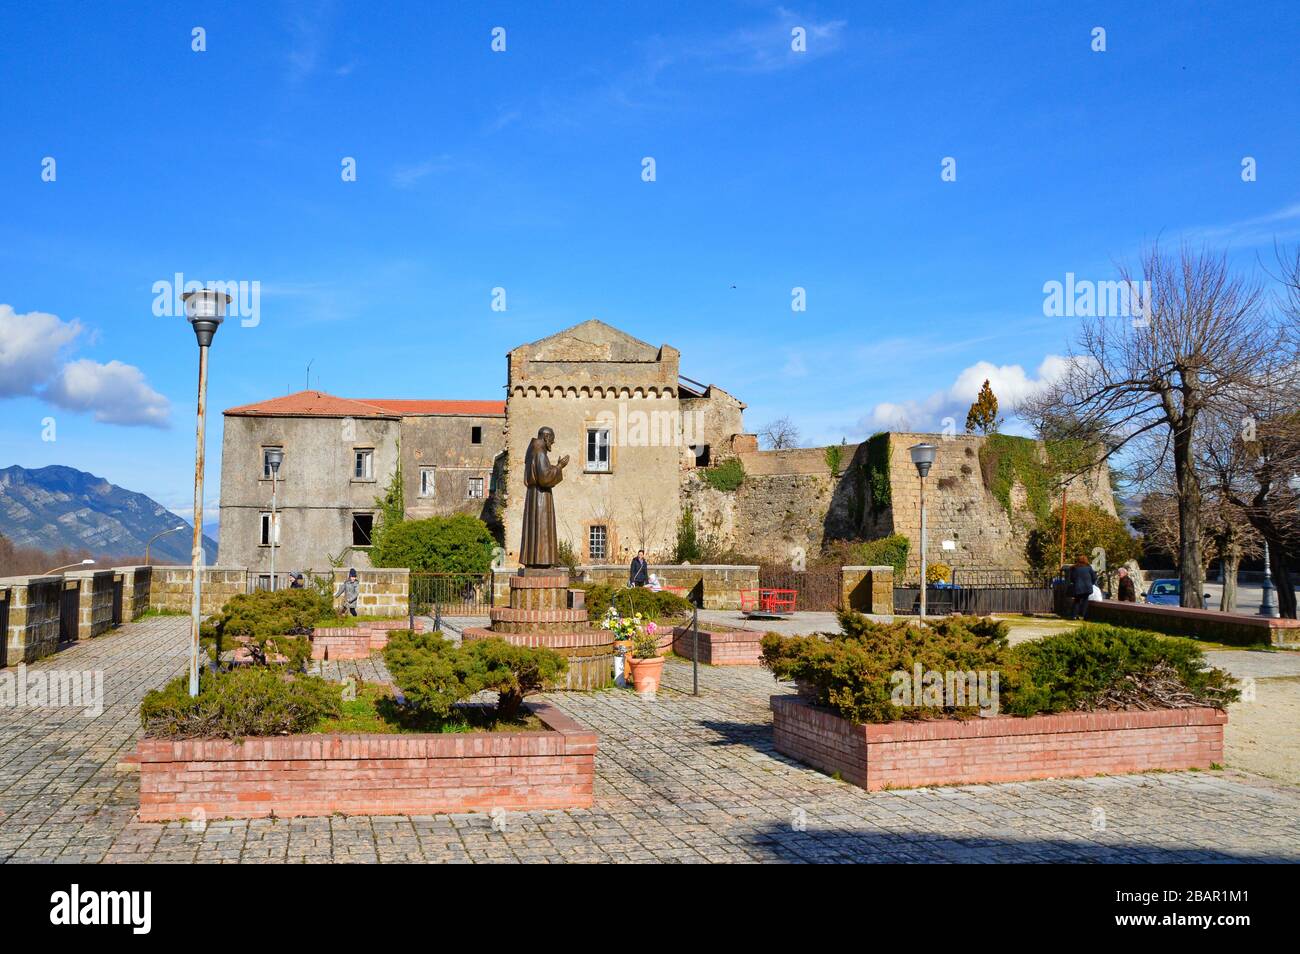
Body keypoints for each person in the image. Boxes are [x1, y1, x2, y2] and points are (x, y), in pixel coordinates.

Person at [1068, 555, 1096, 620]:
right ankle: (1082, 615)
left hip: (1078, 587)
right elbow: (1094, 577)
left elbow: (1072, 578)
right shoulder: (1089, 567)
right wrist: (1092, 583)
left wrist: (1075, 582)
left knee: (1077, 601)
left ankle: (1074, 615)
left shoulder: (1074, 568)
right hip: (1087, 587)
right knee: (1085, 601)